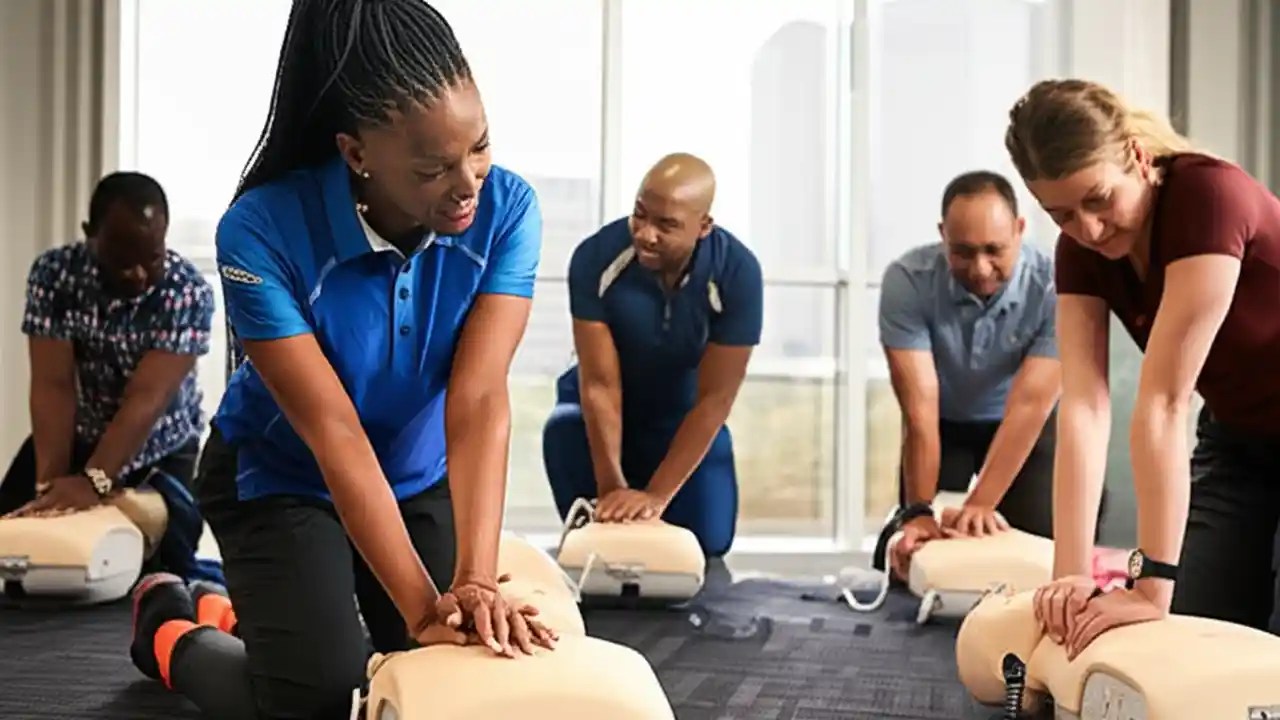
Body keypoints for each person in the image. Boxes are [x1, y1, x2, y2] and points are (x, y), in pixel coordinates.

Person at [126, 2, 555, 718]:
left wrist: (474, 581)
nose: (467, 184)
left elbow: (478, 400)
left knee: (445, 687)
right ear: (356, 153)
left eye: (479, 148)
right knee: (328, 699)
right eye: (432, 169)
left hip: (416, 476)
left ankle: (259, 617)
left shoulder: (508, 210)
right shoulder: (260, 230)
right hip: (280, 477)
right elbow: (334, 433)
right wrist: (421, 610)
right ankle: (172, 622)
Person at [1006, 78, 1280, 658]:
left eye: (1099, 199)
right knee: (1193, 639)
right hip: (1238, 438)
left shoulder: (1208, 198)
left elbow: (1164, 403)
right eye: (1061, 215)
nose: (1088, 229)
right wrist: (1070, 577)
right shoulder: (1080, 250)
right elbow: (1084, 405)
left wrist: (1150, 583)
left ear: (1135, 154)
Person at [1, 171, 219, 584]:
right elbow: (53, 385)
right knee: (18, 540)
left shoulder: (186, 292)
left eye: (151, 258)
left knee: (162, 571)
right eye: (123, 259)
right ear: (90, 235)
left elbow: (146, 398)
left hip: (160, 449)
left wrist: (94, 481)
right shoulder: (55, 275)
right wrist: (51, 484)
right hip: (77, 435)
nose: (138, 274)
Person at [542, 153, 763, 558]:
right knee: (599, 538)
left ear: (704, 227)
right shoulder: (596, 259)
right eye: (639, 215)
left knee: (710, 543)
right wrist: (612, 491)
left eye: (667, 225)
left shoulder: (737, 273)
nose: (645, 234)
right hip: (593, 416)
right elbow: (599, 383)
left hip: (681, 416)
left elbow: (716, 398)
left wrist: (656, 498)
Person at [879, 170, 1063, 579]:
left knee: (1040, 551)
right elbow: (920, 411)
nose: (980, 269)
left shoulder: (1057, 284)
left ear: (1019, 230)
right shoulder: (907, 281)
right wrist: (919, 511)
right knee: (915, 544)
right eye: (962, 251)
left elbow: (1030, 405)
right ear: (943, 234)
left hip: (1022, 422)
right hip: (943, 420)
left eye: (994, 250)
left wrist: (981, 503)